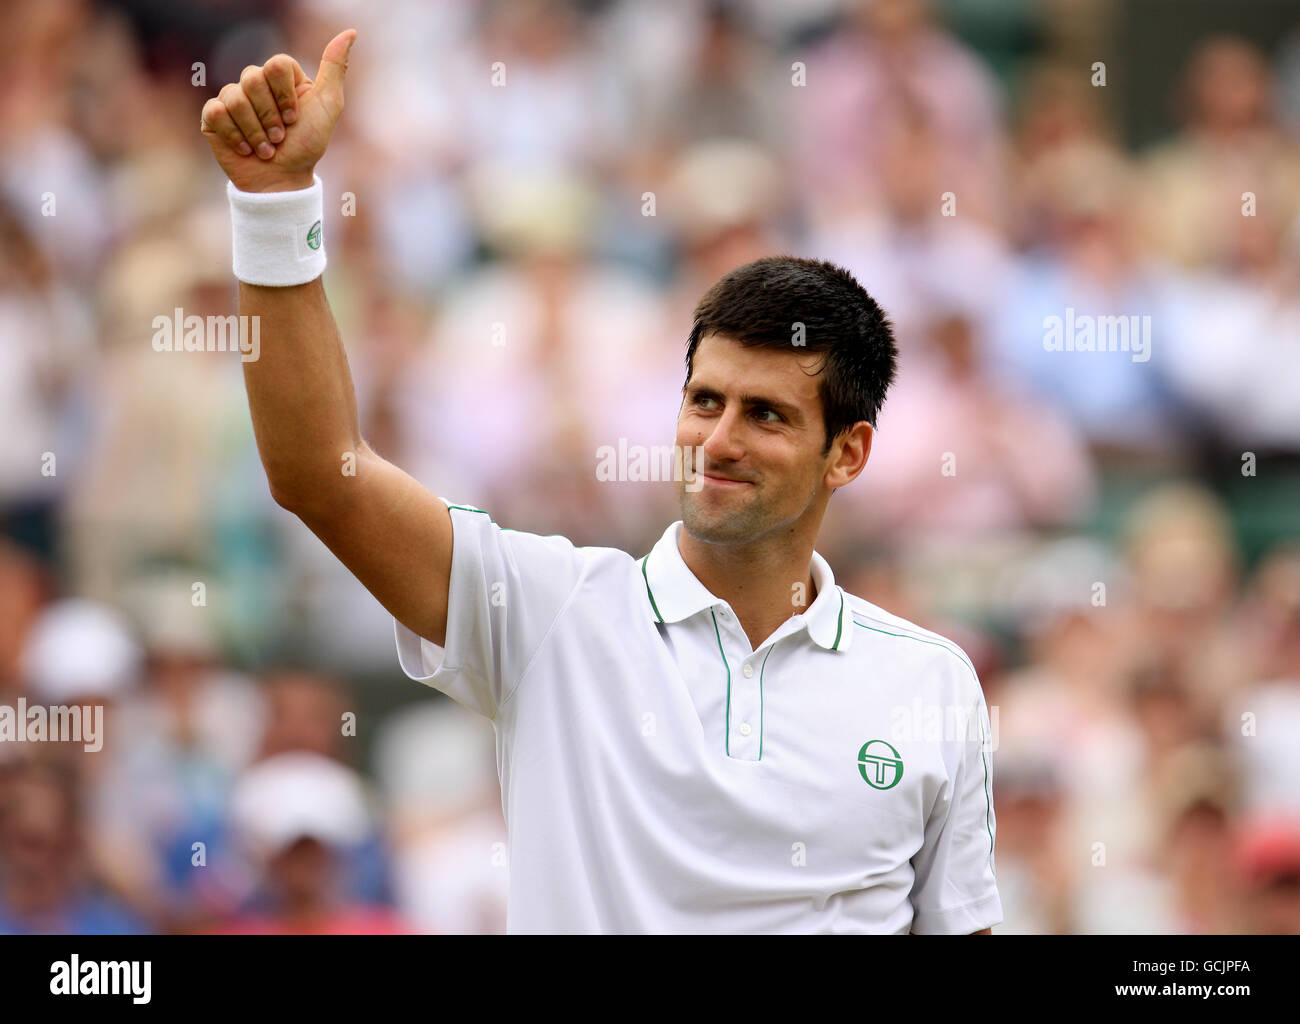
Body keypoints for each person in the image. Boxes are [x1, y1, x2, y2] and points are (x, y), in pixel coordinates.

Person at [199, 29, 1001, 934]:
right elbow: (318, 474)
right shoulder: (549, 611)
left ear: (848, 454)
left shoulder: (931, 682)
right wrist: (273, 205)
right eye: (705, 401)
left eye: (766, 415)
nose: (719, 439)